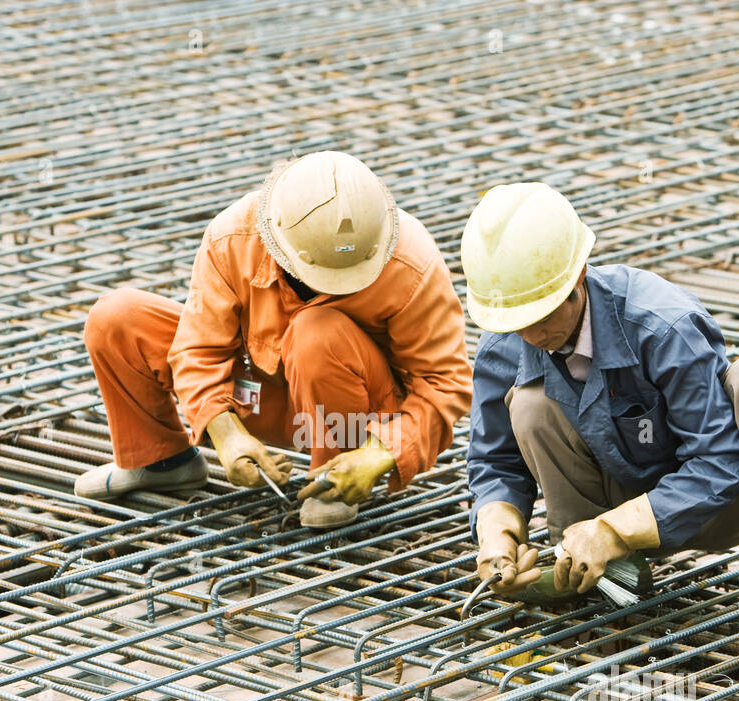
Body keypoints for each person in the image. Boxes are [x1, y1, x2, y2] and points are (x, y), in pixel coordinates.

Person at [462, 182, 739, 659]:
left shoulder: (660, 322)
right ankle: (588, 570)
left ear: (578, 276)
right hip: (604, 517)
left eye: (540, 315)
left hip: (720, 504)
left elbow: (720, 459)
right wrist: (497, 534)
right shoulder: (506, 345)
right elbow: (494, 462)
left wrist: (616, 530)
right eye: (515, 321)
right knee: (531, 402)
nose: (531, 333)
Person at [77, 151, 472, 528]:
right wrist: (227, 435)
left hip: (353, 418)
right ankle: (161, 460)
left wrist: (377, 453)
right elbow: (198, 349)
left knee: (316, 330)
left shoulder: (411, 262)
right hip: (259, 392)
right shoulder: (233, 236)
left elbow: (444, 384)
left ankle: (334, 480)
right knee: (117, 318)